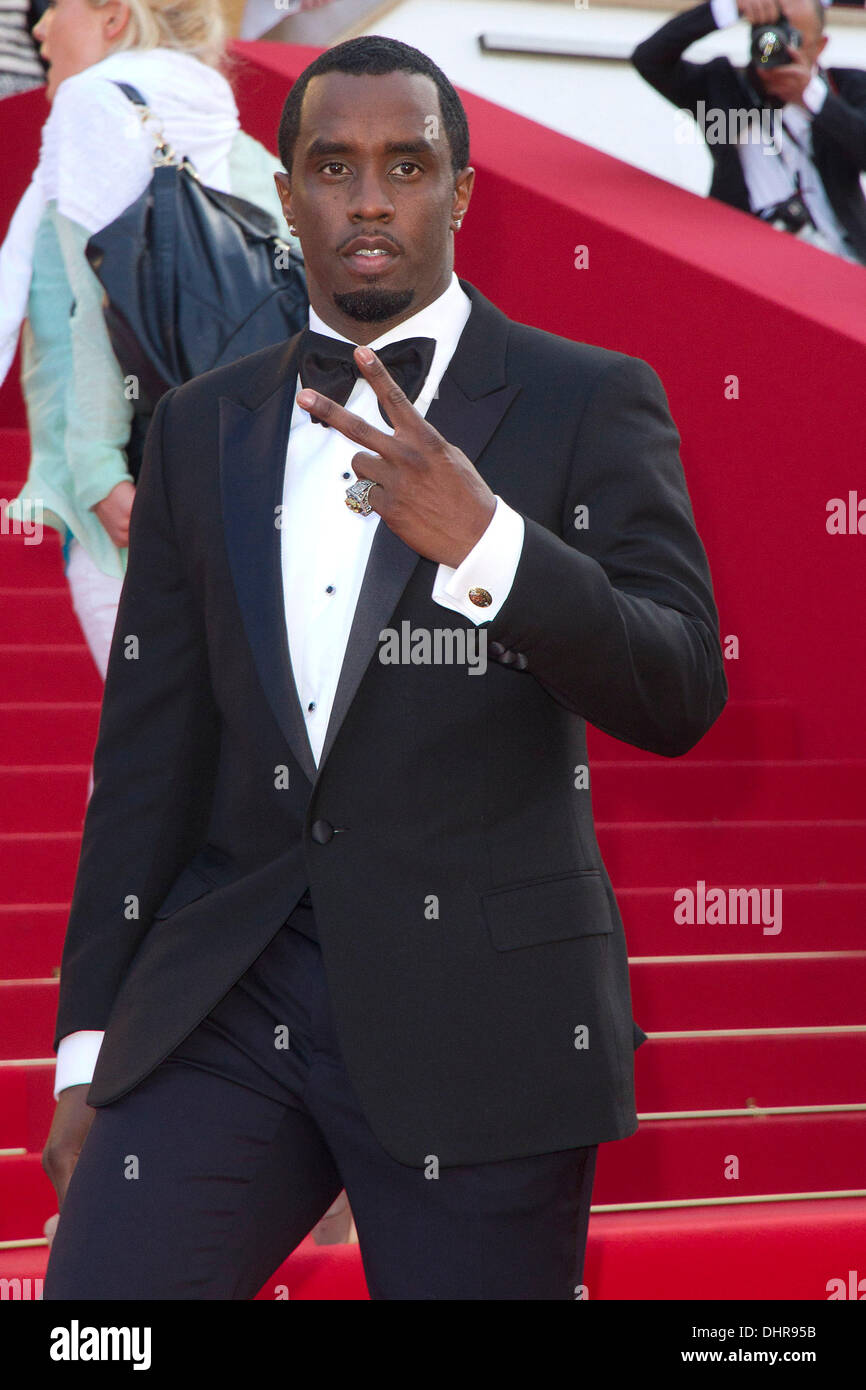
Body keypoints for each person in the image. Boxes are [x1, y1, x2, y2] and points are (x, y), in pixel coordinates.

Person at [41, 34, 727, 1301]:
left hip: (482, 1014)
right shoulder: (201, 428)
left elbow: (681, 684)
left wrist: (491, 547)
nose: (368, 201)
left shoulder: (585, 402)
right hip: (232, 999)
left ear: (458, 192)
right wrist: (89, 1046)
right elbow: (145, 759)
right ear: (284, 187)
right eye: (332, 166)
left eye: (406, 166)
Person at [0, 0, 299, 685]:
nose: (38, 28)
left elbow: (95, 312)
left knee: (150, 763)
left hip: (129, 497)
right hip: (235, 482)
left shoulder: (90, 110)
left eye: (54, 8)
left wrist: (100, 473)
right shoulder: (229, 133)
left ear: (112, 16)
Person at [631, 0, 866, 264]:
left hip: (842, 261)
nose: (777, 48)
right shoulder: (723, 87)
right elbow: (649, 59)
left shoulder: (846, 87)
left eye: (794, 39)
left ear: (820, 46)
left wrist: (813, 97)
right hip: (749, 263)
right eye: (771, 34)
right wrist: (729, 7)